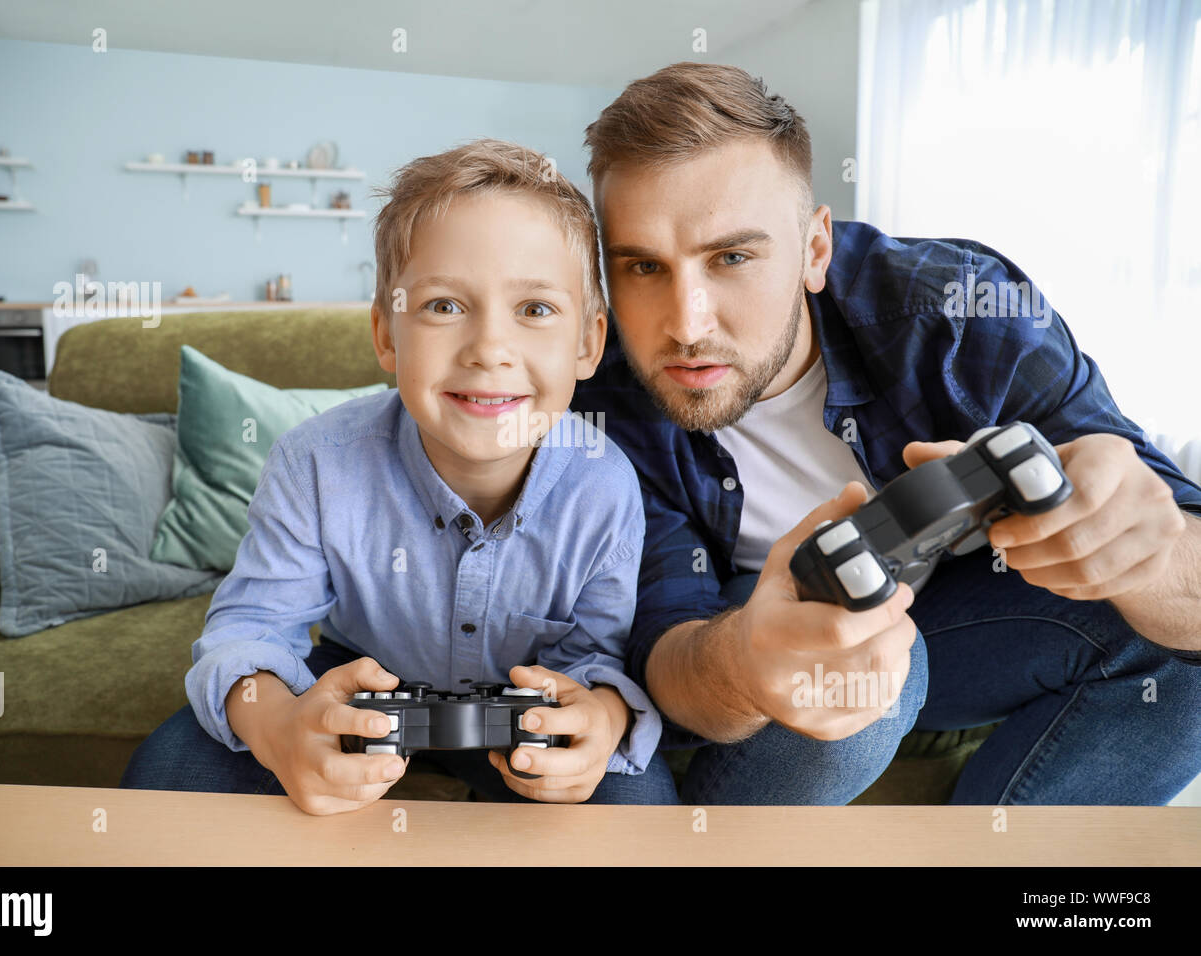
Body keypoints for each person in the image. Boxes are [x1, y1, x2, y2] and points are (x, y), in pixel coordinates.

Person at [571, 62, 1201, 805]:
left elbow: (1182, 551)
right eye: (643, 267)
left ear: (814, 250)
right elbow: (662, 650)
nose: (686, 323)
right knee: (861, 663)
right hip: (742, 620)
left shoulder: (961, 312)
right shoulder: (594, 391)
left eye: (733, 257)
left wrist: (1150, 554)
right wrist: (743, 664)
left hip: (977, 616)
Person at [121, 139, 678, 812]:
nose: (490, 351)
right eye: (444, 305)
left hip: (521, 713)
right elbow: (250, 634)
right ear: (387, 334)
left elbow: (596, 657)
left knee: (636, 798)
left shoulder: (604, 482)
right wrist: (280, 729)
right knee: (173, 769)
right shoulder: (315, 461)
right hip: (361, 684)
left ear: (588, 342)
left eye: (535, 310)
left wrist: (600, 719)